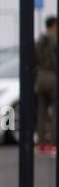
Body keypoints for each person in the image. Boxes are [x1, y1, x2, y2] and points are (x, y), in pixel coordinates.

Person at [37, 15, 58, 156]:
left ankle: (42, 143)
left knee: (41, 112)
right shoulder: (55, 40)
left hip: (40, 78)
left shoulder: (40, 41)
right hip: (53, 77)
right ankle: (53, 143)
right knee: (55, 111)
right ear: (54, 25)